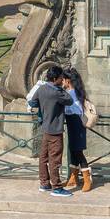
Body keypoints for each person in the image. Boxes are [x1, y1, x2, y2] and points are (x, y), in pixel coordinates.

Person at [28, 66, 72, 197]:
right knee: (55, 159)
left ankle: (44, 183)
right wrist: (63, 87)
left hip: (45, 128)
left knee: (43, 157)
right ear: (55, 79)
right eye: (61, 78)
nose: (62, 80)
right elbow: (69, 100)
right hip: (55, 131)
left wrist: (43, 106)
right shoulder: (57, 92)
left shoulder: (42, 89)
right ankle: (57, 187)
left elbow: (32, 102)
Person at [61, 68, 93, 192]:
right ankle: (73, 177)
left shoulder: (71, 93)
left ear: (67, 81)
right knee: (73, 151)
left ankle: (87, 178)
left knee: (78, 152)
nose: (62, 82)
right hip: (72, 124)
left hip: (76, 124)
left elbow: (70, 109)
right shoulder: (73, 91)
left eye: (63, 80)